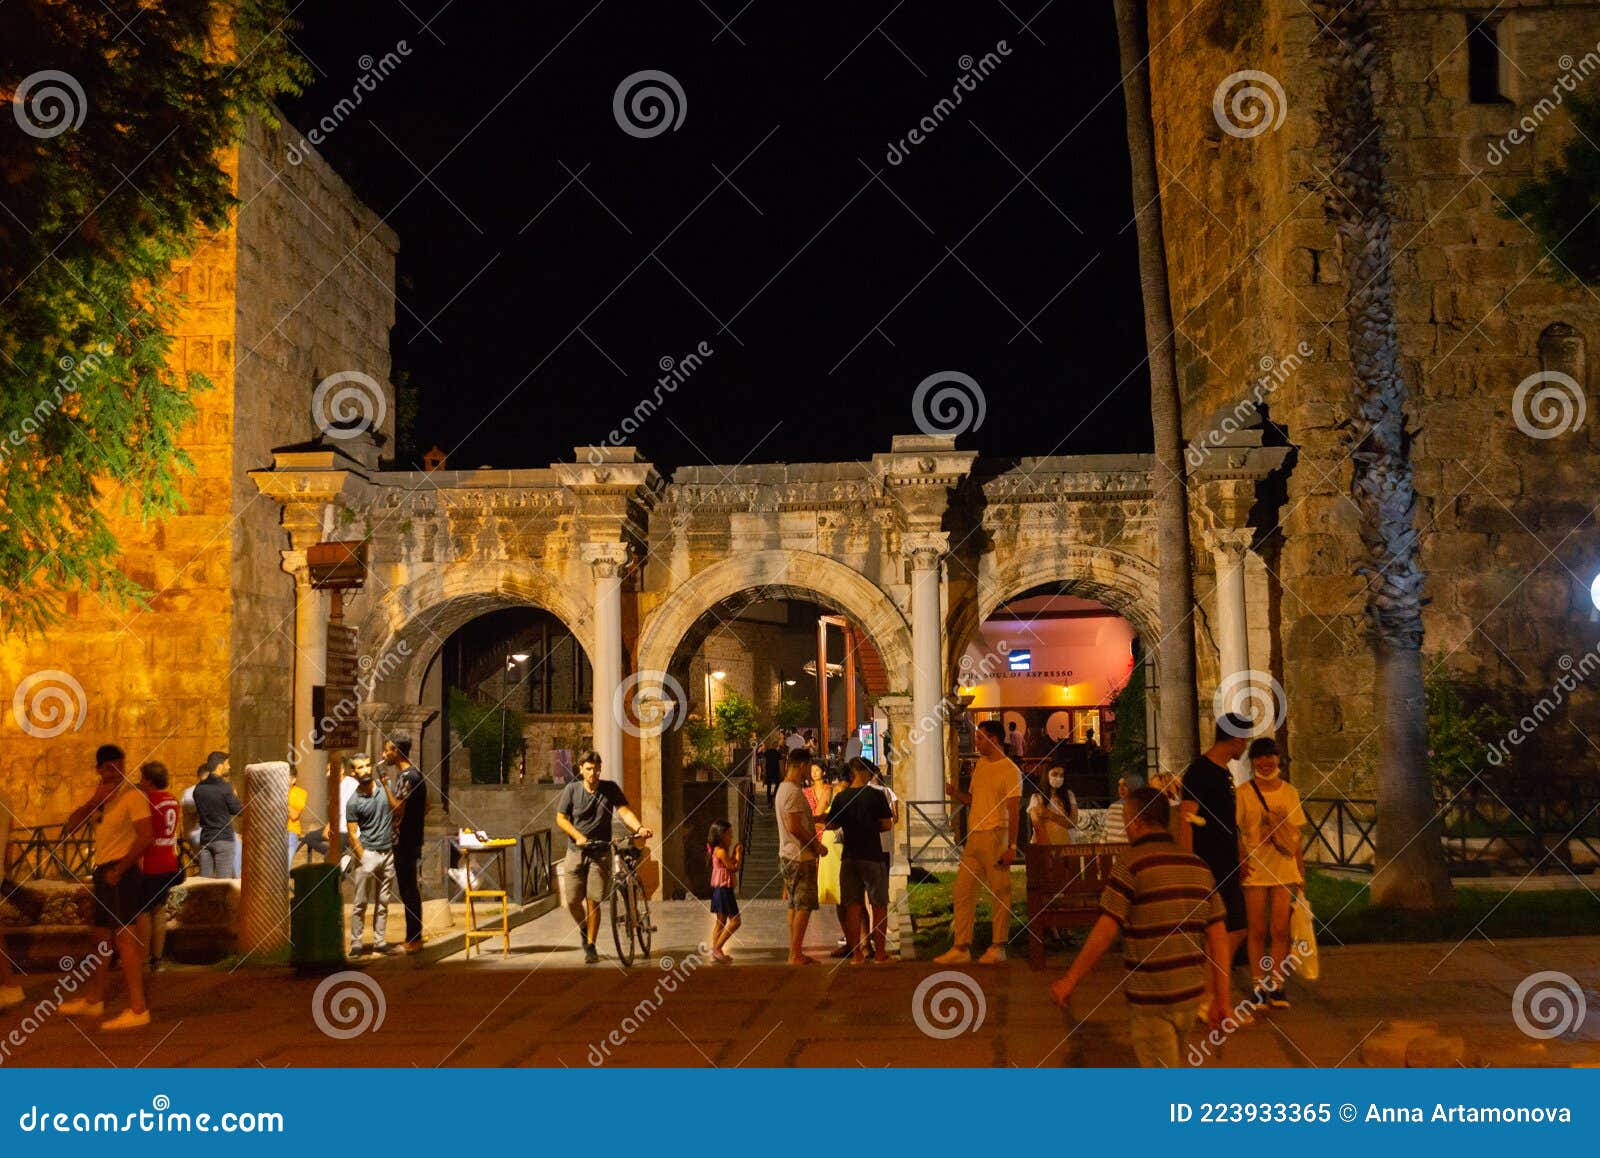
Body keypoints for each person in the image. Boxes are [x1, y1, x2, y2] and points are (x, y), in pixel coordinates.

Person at [1049, 788, 1232, 1067]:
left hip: (1151, 998)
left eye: (1125, 819)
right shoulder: (1197, 867)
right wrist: (1223, 997)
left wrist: (1071, 979)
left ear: (1135, 822)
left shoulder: (1131, 865)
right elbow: (1219, 936)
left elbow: (1106, 929)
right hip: (1190, 997)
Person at [57, 745, 154, 1030]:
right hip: (104, 872)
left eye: (120, 767)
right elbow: (70, 828)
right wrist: (92, 802)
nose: (117, 773)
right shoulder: (101, 800)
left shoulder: (133, 797)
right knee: (100, 937)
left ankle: (138, 1008)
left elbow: (146, 837)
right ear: (99, 769)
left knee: (125, 939)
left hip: (121, 873)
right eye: (110, 768)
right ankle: (94, 999)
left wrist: (120, 869)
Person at [935, 720, 1022, 965]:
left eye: (981, 738)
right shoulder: (982, 765)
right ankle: (961, 946)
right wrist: (954, 793)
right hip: (975, 836)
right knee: (962, 890)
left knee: (1000, 891)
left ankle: (998, 946)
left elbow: (1014, 810)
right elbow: (973, 799)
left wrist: (1012, 846)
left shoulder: (1010, 769)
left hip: (996, 834)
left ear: (994, 740)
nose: (976, 742)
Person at [554, 751, 651, 964]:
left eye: (597, 768)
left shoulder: (609, 789)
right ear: (581, 769)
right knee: (572, 900)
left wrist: (640, 827)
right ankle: (583, 928)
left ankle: (590, 945)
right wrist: (578, 836)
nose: (593, 773)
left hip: (601, 852)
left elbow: (624, 811)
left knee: (593, 901)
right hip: (576, 851)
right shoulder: (572, 790)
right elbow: (560, 818)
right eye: (588, 769)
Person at [1178, 715, 1252, 972]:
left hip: (1226, 862)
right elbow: (1186, 817)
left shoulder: (1223, 772)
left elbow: (1228, 820)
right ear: (1236, 739)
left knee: (1230, 926)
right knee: (1231, 926)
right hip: (1209, 863)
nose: (1246, 747)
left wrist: (1240, 854)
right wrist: (1188, 866)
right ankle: (1210, 980)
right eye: (1246, 740)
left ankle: (1211, 982)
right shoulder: (1200, 772)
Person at [1238, 737, 1306, 1008]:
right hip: (1256, 867)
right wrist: (1240, 859)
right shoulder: (1244, 792)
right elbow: (1237, 831)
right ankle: (1257, 985)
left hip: (1284, 867)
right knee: (1256, 929)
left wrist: (1301, 872)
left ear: (1279, 758)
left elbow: (1296, 836)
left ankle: (1277, 985)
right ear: (1253, 761)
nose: (1265, 762)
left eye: (1270, 756)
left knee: (1280, 929)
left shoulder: (1289, 792)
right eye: (1259, 757)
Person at [826, 757, 894, 963]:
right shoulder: (875, 796)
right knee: (879, 905)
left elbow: (831, 825)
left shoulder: (841, 797)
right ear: (861, 772)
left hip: (849, 857)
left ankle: (856, 954)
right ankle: (880, 953)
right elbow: (887, 824)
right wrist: (871, 827)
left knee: (852, 907)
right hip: (872, 855)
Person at [775, 748, 826, 964]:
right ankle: (795, 953)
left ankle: (794, 950)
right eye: (808, 768)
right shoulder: (794, 792)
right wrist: (816, 845)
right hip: (799, 856)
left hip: (788, 853)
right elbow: (795, 826)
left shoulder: (783, 789)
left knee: (794, 905)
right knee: (804, 904)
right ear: (802, 766)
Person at [345, 759, 401, 956]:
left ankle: (380, 940)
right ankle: (356, 943)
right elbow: (352, 833)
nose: (366, 769)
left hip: (387, 853)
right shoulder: (353, 802)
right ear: (353, 772)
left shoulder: (384, 789)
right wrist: (363, 857)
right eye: (360, 767)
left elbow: (396, 809)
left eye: (367, 765)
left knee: (383, 901)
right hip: (368, 853)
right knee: (360, 902)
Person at [383, 734, 429, 954]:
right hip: (410, 838)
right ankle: (415, 937)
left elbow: (397, 807)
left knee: (408, 889)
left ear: (397, 752)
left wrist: (384, 786)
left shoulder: (407, 777)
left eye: (387, 751)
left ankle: (413, 939)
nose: (384, 755)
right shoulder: (416, 775)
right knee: (410, 889)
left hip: (404, 840)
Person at [137, 762, 182, 972]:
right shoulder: (172, 800)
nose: (140, 782)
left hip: (151, 863)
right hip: (169, 861)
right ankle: (158, 958)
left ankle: (143, 958)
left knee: (144, 912)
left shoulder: (148, 802)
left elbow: (143, 834)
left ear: (149, 780)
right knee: (160, 910)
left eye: (142, 778)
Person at [192, 751, 242, 878]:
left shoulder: (198, 788)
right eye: (227, 764)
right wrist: (235, 797)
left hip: (206, 839)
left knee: (204, 882)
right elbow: (239, 810)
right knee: (223, 883)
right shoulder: (225, 788)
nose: (229, 767)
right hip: (223, 840)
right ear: (220, 766)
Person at [706, 818, 742, 963]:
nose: (731, 837)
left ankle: (717, 950)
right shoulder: (720, 851)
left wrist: (733, 855)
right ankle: (717, 948)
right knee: (736, 921)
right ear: (721, 835)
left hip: (719, 890)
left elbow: (728, 863)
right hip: (723, 890)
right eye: (729, 834)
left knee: (720, 922)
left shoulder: (718, 851)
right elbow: (733, 867)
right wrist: (739, 855)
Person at [0, 787, 23, 1009]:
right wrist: (5, 873)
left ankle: (10, 985)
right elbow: (10, 842)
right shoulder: (5, 796)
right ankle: (9, 985)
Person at [1028, 766, 1080, 845]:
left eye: (1061, 775)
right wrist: (1049, 850)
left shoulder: (1069, 795)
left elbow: (1073, 823)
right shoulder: (1036, 798)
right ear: (1047, 775)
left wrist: (1048, 813)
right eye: (1054, 774)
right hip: (1045, 847)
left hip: (1067, 846)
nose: (1058, 778)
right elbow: (1038, 829)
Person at [1103, 776, 1130, 844]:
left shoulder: (1138, 807)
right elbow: (1105, 831)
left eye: (1125, 785)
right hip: (1111, 850)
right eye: (1119, 785)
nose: (1121, 789)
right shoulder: (1113, 806)